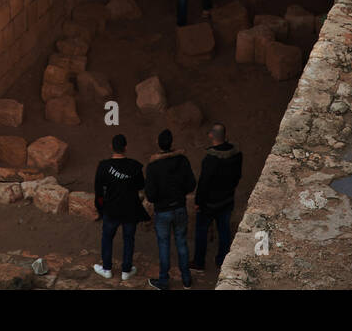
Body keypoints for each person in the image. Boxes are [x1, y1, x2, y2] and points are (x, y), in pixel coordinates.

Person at [143, 129, 196, 290]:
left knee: (164, 245)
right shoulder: (182, 160)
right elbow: (191, 184)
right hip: (179, 207)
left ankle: (164, 280)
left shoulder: (153, 167)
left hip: (163, 212)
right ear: (172, 143)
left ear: (159, 144)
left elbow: (150, 196)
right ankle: (186, 279)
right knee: (181, 243)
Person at [92, 134, 147, 281]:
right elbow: (141, 185)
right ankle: (126, 271)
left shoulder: (103, 166)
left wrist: (100, 208)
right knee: (129, 238)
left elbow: (98, 191)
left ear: (111, 147)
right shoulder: (135, 166)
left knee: (107, 238)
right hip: (130, 209)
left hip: (111, 209)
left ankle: (107, 269)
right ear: (126, 148)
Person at [192, 123, 243, 272]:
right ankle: (222, 260)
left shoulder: (210, 159)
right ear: (225, 135)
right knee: (224, 231)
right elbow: (237, 176)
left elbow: (204, 183)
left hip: (209, 204)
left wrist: (198, 202)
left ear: (211, 136)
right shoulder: (236, 154)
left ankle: (199, 262)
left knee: (201, 232)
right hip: (227, 200)